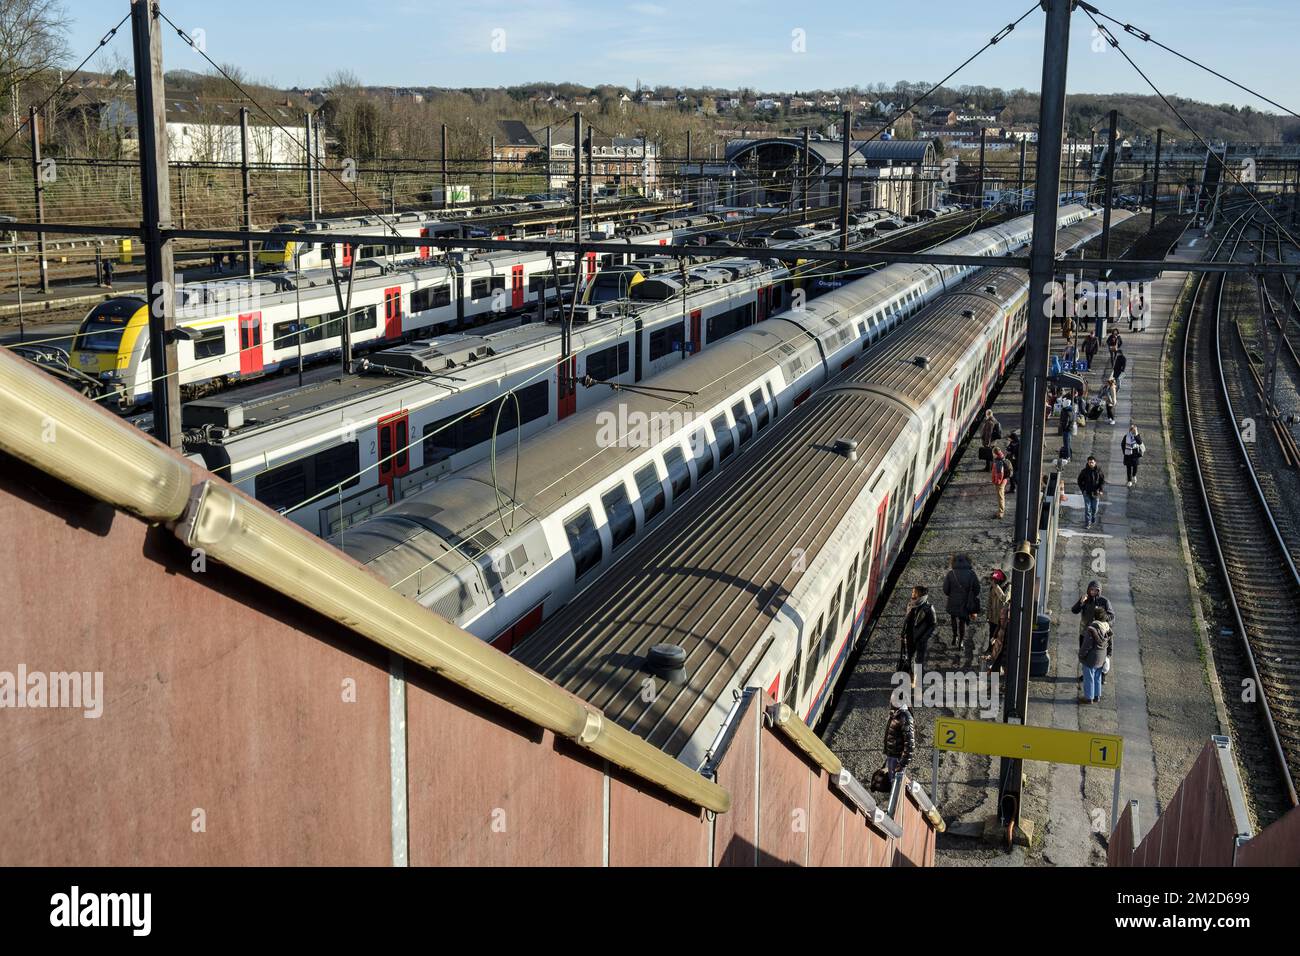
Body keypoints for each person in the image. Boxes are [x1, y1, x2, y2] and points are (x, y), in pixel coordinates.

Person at [943, 553, 981, 656]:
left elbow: (945, 589)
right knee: (962, 621)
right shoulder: (971, 573)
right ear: (968, 562)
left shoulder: (951, 574)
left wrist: (952, 594)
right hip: (965, 602)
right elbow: (977, 589)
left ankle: (954, 636)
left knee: (953, 618)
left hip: (953, 601)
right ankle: (961, 641)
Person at [898, 585, 937, 684]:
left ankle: (918, 683)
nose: (912, 594)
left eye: (915, 592)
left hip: (920, 639)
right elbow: (907, 621)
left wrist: (924, 638)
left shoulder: (928, 608)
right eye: (913, 592)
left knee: (918, 662)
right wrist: (903, 634)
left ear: (921, 595)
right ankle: (909, 679)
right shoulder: (911, 605)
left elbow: (933, 625)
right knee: (908, 659)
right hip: (909, 637)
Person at [1078, 620, 1113, 703]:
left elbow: (1086, 645)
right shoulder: (1107, 629)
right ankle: (1097, 696)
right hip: (1101, 658)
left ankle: (1089, 698)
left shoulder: (1092, 630)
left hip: (1091, 659)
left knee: (1088, 678)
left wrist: (1081, 655)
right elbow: (1110, 644)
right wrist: (1108, 655)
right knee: (1097, 677)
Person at [882, 701, 916, 776]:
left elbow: (910, 744)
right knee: (889, 784)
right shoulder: (897, 714)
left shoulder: (904, 716)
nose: (890, 702)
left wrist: (902, 764)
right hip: (892, 757)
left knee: (894, 784)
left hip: (897, 759)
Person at [1077, 455, 1105, 528]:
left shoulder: (1099, 470)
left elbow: (1102, 481)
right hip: (1087, 493)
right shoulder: (1084, 471)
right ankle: (1087, 523)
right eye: (1089, 462)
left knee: (1094, 508)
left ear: (1095, 462)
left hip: (1096, 493)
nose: (1091, 464)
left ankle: (1093, 516)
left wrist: (1101, 490)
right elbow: (1079, 481)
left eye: (1092, 462)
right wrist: (1083, 490)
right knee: (1087, 508)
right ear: (1087, 463)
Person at [986, 568, 1009, 655]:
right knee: (991, 634)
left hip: (1001, 618)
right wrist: (988, 615)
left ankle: (996, 653)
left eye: (995, 580)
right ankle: (990, 649)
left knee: (999, 637)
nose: (993, 581)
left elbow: (1004, 598)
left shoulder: (1007, 587)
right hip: (993, 617)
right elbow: (989, 602)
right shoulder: (992, 588)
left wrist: (996, 587)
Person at [990, 447, 1012, 520]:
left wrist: (997, 482)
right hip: (1004, 480)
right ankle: (1000, 511)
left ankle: (1000, 513)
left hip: (1000, 481)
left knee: (1000, 497)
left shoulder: (998, 461)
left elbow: (1000, 473)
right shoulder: (1002, 457)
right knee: (1001, 496)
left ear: (995, 454)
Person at [1059, 393, 1076, 462]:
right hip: (1070, 429)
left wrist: (1062, 427)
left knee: (1066, 444)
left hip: (1067, 430)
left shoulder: (1066, 412)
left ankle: (1067, 456)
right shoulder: (1071, 410)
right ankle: (1068, 455)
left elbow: (1065, 423)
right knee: (1068, 443)